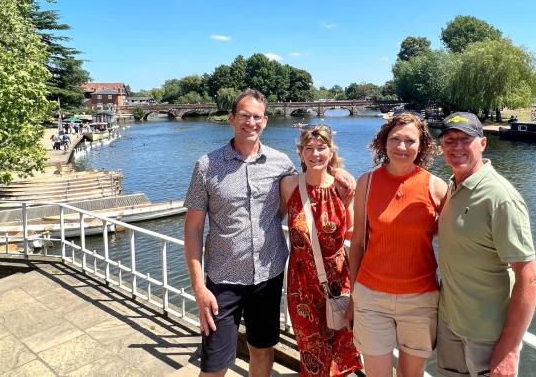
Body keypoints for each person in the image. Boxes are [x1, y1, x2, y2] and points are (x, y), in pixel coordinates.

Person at [183, 89, 355, 377]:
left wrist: (338, 172)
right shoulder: (207, 165)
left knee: (262, 351)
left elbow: (312, 176)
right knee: (214, 365)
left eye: (257, 117)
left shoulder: (280, 163)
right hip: (222, 279)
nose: (251, 122)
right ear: (231, 119)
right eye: (244, 116)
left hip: (268, 277)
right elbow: (193, 228)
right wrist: (199, 287)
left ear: (265, 121)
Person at [436, 112, 536, 377]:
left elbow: (529, 278)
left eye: (465, 139)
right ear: (442, 146)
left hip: (486, 337)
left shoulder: (500, 197)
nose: (457, 146)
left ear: (482, 144)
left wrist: (509, 350)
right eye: (450, 140)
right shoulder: (453, 187)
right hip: (451, 324)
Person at [346, 113, 447, 377]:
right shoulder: (367, 183)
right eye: (395, 139)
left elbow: (455, 240)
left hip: (420, 300)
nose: (402, 147)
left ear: (422, 146)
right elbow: (357, 244)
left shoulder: (436, 187)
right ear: (384, 142)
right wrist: (354, 296)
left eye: (410, 141)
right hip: (371, 297)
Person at [279, 126, 362, 377]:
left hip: (338, 281)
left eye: (321, 148)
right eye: (309, 148)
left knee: (340, 352)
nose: (315, 154)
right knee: (311, 352)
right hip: (301, 285)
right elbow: (270, 221)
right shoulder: (289, 185)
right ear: (300, 153)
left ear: (331, 151)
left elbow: (354, 234)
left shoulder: (343, 187)